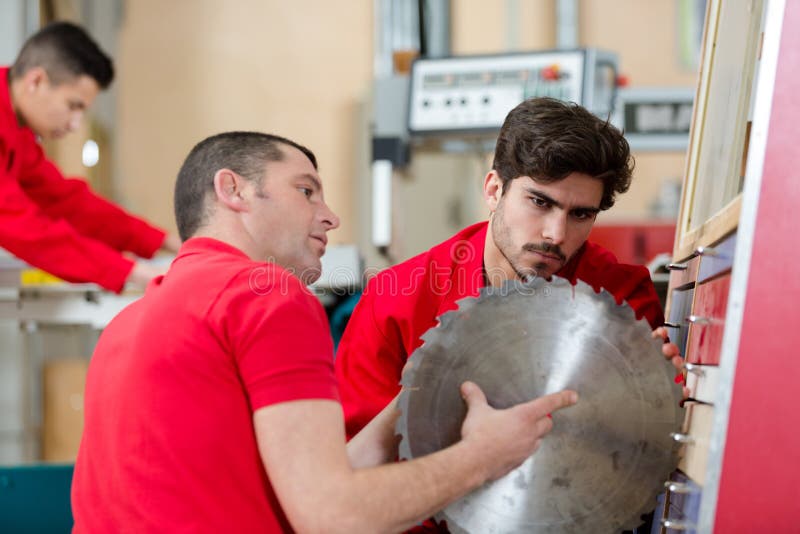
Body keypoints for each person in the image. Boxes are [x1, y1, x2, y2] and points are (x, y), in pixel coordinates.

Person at [70, 131, 578, 532]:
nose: (330, 217)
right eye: (306, 190)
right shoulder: (265, 294)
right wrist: (484, 456)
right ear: (233, 190)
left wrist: (423, 394)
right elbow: (333, 516)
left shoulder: (131, 321)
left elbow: (308, 476)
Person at [336, 96, 683, 439]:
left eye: (580, 214)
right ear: (493, 190)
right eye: (539, 202)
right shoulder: (395, 302)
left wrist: (660, 403)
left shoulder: (620, 299)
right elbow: (356, 461)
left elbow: (643, 443)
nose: (556, 234)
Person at [0, 21, 179, 292]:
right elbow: (24, 227)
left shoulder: (16, 129)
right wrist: (134, 272)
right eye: (73, 106)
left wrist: (167, 243)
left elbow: (67, 202)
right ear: (36, 81)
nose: (75, 124)